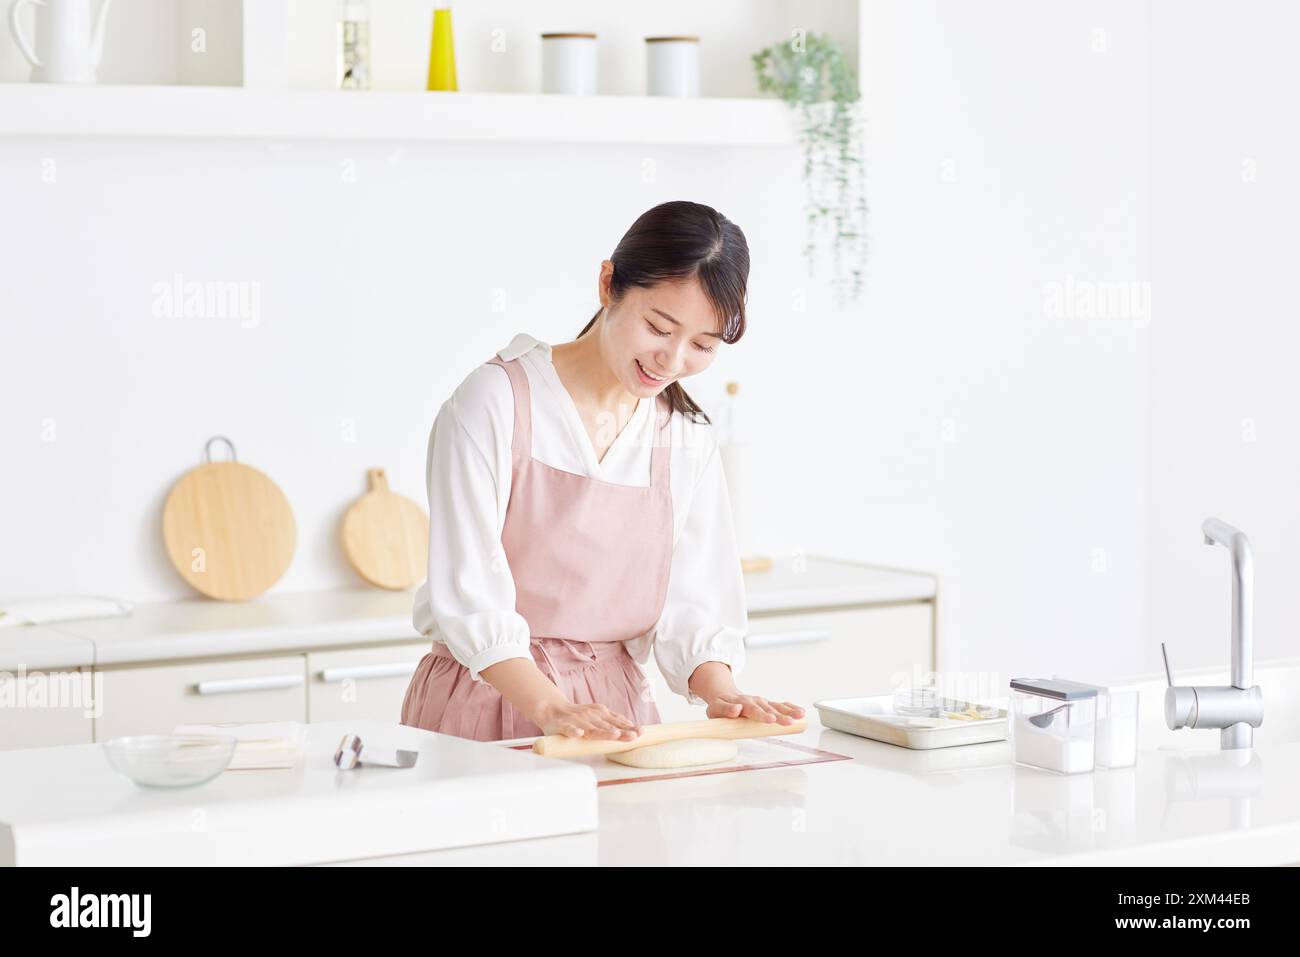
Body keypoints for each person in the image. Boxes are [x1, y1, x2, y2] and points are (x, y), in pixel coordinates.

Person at [400, 200, 804, 742]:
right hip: (488, 695)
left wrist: (723, 693)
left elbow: (693, 605)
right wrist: (550, 707)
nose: (672, 360)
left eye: (702, 346)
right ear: (608, 284)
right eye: (660, 327)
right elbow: (469, 593)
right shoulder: (496, 402)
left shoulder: (683, 437)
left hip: (616, 712)